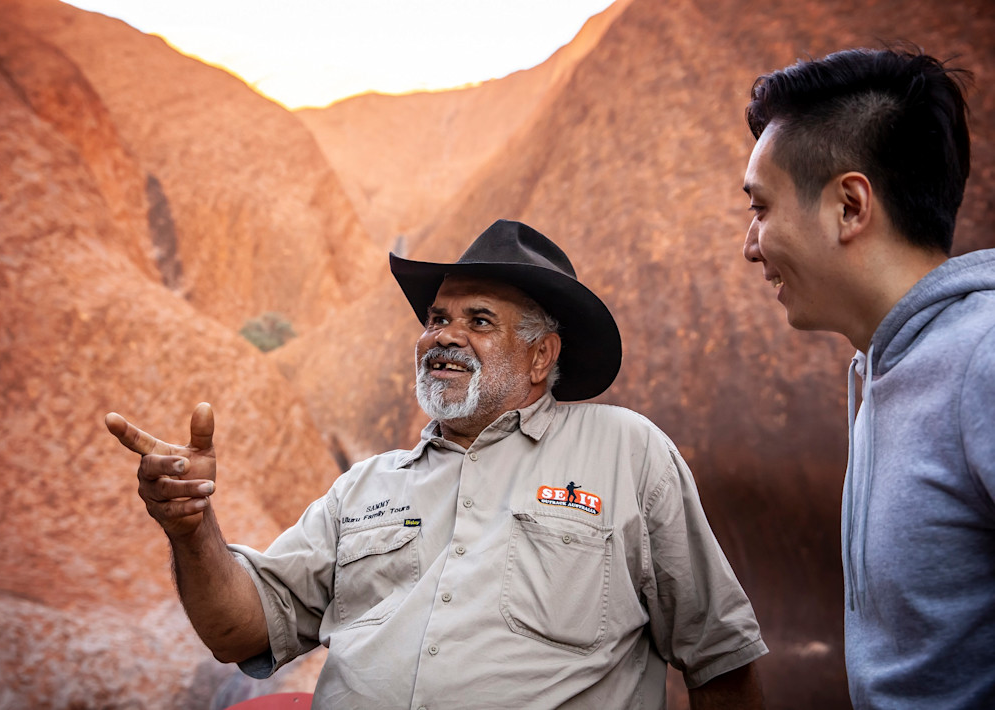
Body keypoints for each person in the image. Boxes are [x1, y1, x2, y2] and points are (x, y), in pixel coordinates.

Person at [108, 219, 768, 709]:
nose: (443, 335)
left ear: (542, 358)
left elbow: (721, 659)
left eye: (479, 320)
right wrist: (191, 528)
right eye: (436, 317)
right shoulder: (365, 486)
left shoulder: (627, 452)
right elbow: (239, 629)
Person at [742, 47, 995, 708]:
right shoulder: (883, 370)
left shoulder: (984, 359)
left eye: (761, 208)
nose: (750, 243)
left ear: (850, 206)